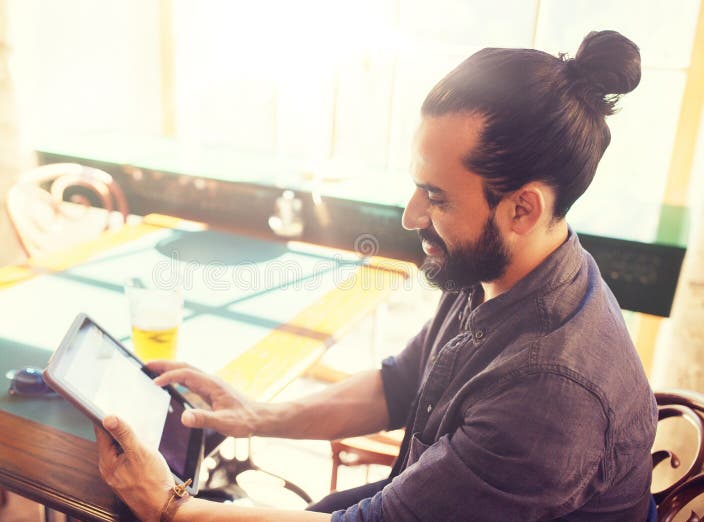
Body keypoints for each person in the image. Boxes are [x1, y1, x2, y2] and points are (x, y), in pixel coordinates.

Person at [95, 30, 657, 521]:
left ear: (522, 210)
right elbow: (400, 383)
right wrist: (253, 415)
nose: (412, 216)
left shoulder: (550, 394)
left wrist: (169, 506)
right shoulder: (497, 267)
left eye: (436, 197)